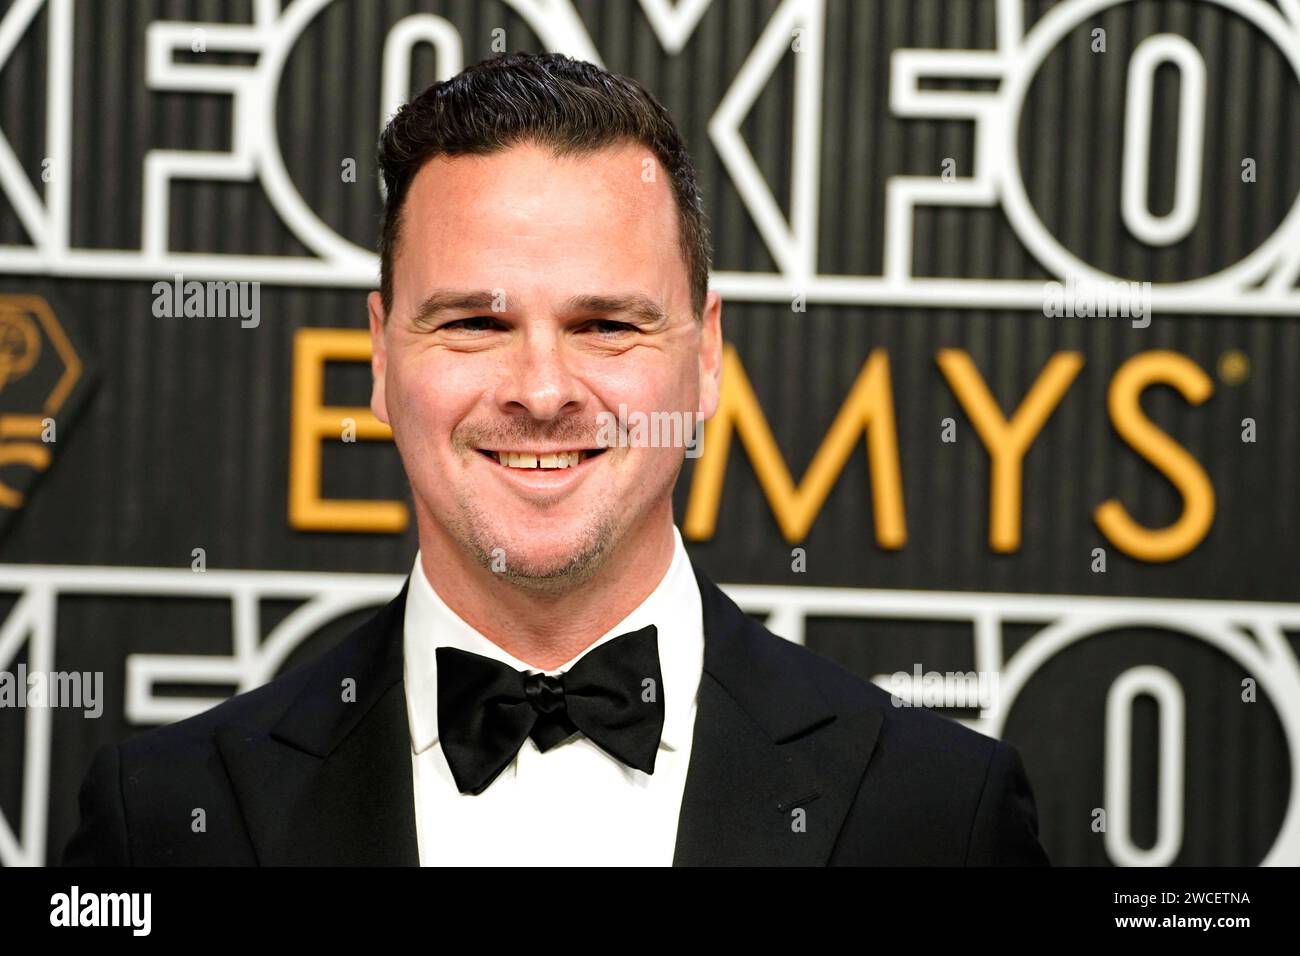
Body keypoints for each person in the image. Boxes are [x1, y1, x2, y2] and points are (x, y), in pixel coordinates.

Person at [62, 51, 1049, 866]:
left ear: (703, 358)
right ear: (380, 355)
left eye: (607, 323)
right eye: (475, 322)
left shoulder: (938, 815)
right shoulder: (164, 820)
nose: (541, 391)